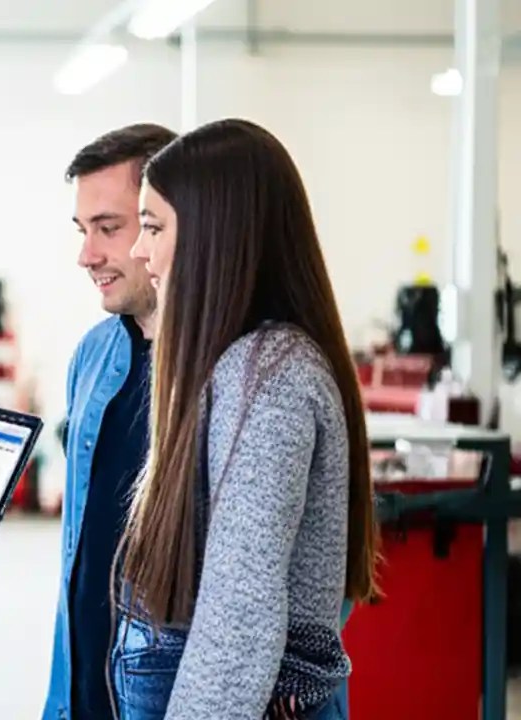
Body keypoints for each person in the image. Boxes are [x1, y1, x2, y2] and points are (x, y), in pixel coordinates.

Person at [110, 118, 379, 720]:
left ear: (214, 237)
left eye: (152, 227)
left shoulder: (270, 376)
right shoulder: (242, 363)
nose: (137, 250)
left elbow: (240, 614)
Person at [41, 124, 179, 720]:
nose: (87, 254)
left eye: (109, 228)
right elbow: (82, 552)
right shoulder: (93, 356)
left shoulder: (238, 370)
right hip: (89, 688)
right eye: (83, 230)